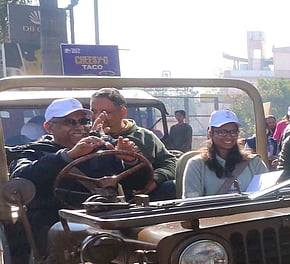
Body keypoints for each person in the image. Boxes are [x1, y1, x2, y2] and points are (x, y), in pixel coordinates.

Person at [9, 98, 150, 254]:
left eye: (83, 121)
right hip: (56, 220)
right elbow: (21, 178)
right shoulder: (34, 152)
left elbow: (139, 183)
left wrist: (130, 161)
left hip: (107, 216)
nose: (79, 127)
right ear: (49, 127)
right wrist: (68, 156)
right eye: (69, 122)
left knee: (149, 238)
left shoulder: (103, 147)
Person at [90, 88, 178, 200]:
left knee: (173, 187)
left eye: (105, 112)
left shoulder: (145, 137)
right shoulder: (83, 139)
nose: (98, 117)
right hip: (95, 199)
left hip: (141, 197)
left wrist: (154, 180)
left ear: (122, 112)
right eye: (94, 111)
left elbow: (169, 162)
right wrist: (96, 137)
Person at [181, 110, 269, 198]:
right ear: (211, 133)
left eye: (233, 132)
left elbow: (266, 195)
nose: (229, 136)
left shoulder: (254, 162)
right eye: (222, 132)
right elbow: (192, 203)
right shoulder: (196, 165)